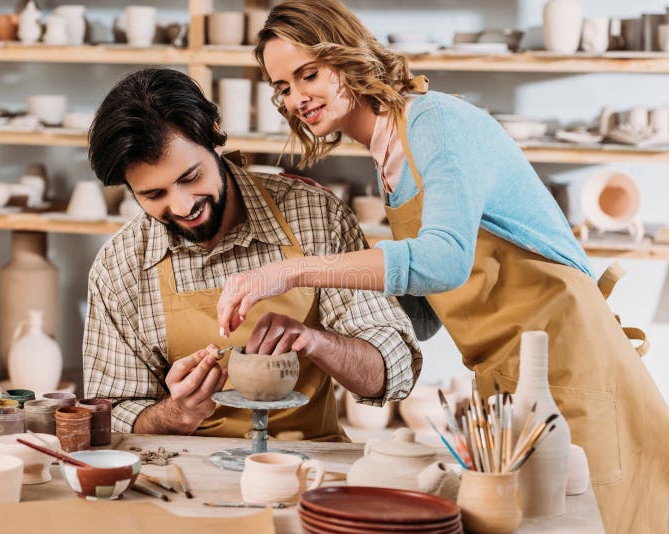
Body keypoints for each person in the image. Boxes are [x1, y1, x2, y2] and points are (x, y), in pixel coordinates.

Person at [214, 1, 669, 531]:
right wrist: (317, 331)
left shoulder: (434, 123)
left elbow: (445, 262)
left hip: (570, 365)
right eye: (283, 87)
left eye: (308, 74)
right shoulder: (388, 156)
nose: (296, 99)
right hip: (504, 377)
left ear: (347, 54)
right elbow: (428, 314)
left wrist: (294, 271)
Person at [82, 68, 422, 442]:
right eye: (153, 195)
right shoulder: (121, 265)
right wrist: (175, 414)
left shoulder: (314, 216)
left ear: (215, 138)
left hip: (310, 466)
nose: (182, 207)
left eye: (190, 177)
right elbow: (110, 416)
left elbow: (395, 372)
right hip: (187, 474)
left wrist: (316, 341)